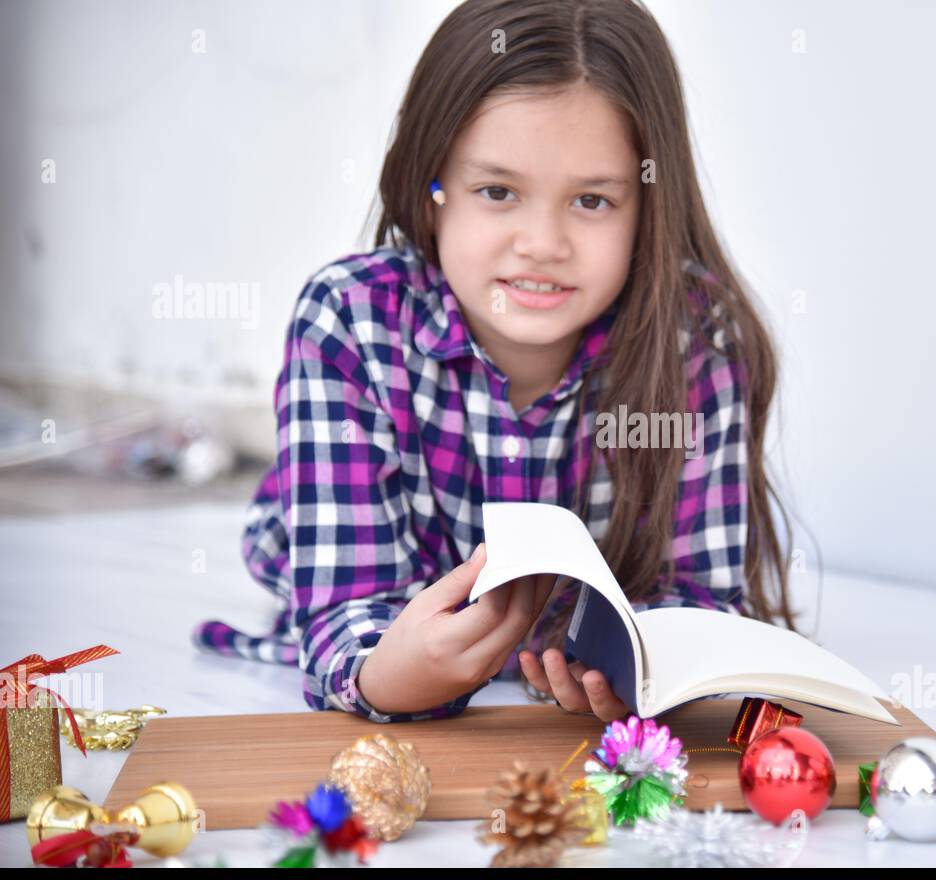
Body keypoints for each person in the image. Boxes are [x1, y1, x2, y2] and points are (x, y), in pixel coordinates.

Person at [193, 0, 800, 723]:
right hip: (348, 557)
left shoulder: (698, 344)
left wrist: (650, 672)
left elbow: (700, 599)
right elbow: (344, 615)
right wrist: (388, 675)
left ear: (649, 205)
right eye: (498, 191)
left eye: (593, 200)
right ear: (433, 187)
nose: (542, 241)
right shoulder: (351, 323)